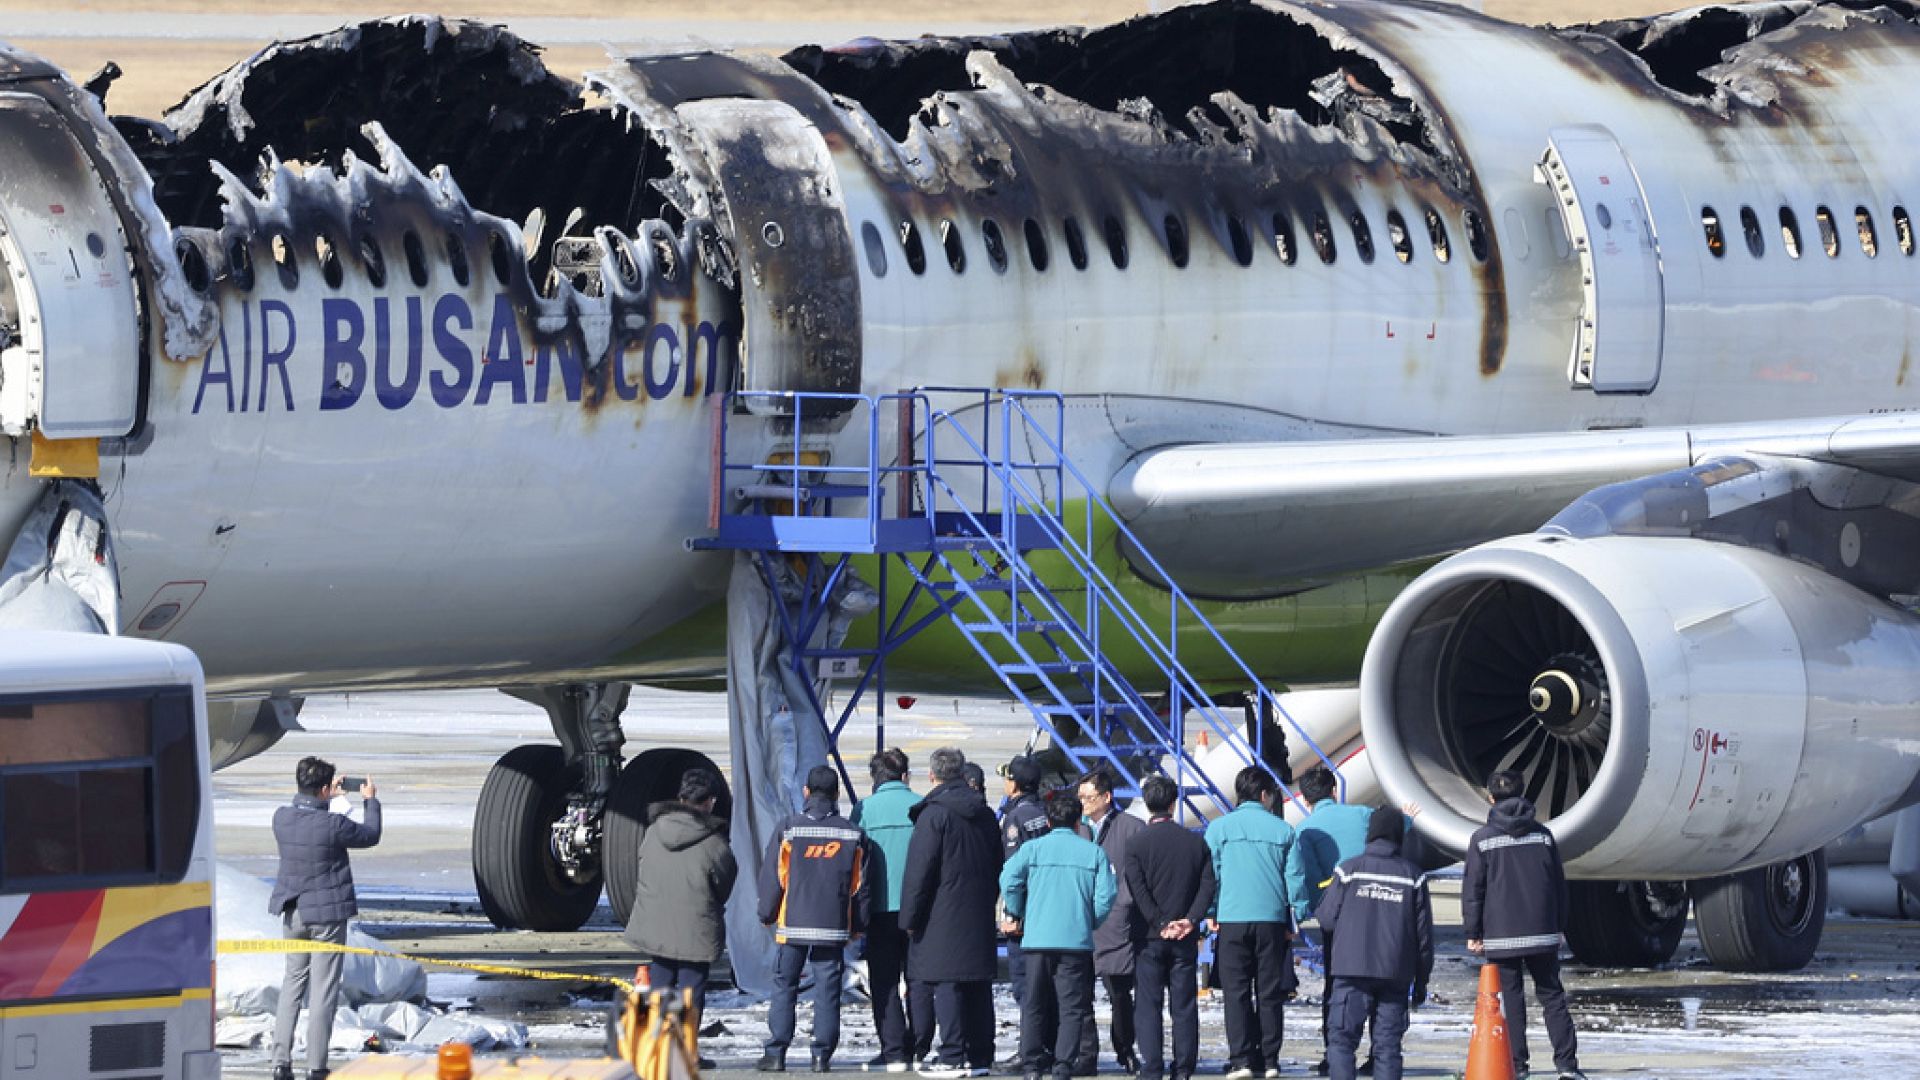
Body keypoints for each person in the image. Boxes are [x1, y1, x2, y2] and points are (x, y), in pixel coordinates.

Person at [1463, 770, 1585, 1080]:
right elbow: (1559, 885)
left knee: (1511, 1002)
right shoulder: (1543, 835)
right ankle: (1567, 1066)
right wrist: (1560, 925)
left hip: (1501, 936)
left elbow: (1473, 890)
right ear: (1523, 794)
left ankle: (1518, 1066)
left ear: (1491, 799)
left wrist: (1473, 932)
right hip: (1542, 931)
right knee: (1553, 998)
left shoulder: (1482, 840)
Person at [268, 757, 382, 1080]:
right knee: (323, 992)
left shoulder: (281, 819)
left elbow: (308, 818)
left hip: (293, 912)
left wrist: (326, 799)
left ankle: (280, 1062)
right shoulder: (333, 825)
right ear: (323, 789)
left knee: (292, 986)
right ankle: (316, 1067)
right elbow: (370, 834)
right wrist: (369, 799)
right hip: (327, 916)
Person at [759, 765, 872, 1073]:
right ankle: (821, 1055)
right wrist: (859, 925)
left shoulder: (789, 829)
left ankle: (776, 1052)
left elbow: (774, 877)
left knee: (785, 985)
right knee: (827, 990)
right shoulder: (852, 834)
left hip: (793, 923)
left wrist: (766, 913)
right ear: (837, 795)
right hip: (832, 927)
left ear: (806, 792)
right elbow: (860, 887)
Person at [902, 748, 1004, 1079]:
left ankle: (951, 1055)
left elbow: (920, 872)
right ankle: (980, 1056)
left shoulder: (934, 815)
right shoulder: (985, 813)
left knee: (946, 981)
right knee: (976, 984)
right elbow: (997, 864)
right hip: (977, 910)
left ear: (932, 776)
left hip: (940, 912)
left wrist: (909, 918)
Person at [1001, 794, 1116, 1080]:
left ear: (1049, 821)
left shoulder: (1033, 849)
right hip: (1074, 941)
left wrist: (1016, 910)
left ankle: (1031, 1064)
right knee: (1072, 1007)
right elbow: (1107, 895)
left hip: (1037, 938)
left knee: (1034, 1003)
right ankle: (1063, 1064)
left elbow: (1008, 879)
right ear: (1079, 822)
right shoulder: (1093, 853)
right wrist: (1089, 920)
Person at [1313, 809, 1433, 1080]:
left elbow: (1327, 919)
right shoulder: (1413, 876)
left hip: (1351, 970)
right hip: (1395, 972)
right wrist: (1421, 981)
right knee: (1388, 1047)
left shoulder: (1348, 870)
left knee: (1342, 1041)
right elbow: (1424, 936)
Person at [1204, 766, 1307, 1080]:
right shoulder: (1284, 831)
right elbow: (1296, 880)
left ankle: (1241, 1060)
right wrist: (1296, 917)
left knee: (1235, 992)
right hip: (1271, 920)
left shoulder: (1218, 830)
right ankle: (1270, 1059)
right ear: (1265, 795)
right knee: (1269, 992)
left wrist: (1211, 912)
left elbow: (1211, 876)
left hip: (1232, 919)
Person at [623, 766, 737, 1048]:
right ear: (710, 801)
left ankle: (658, 1047)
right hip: (695, 926)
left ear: (680, 797)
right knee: (691, 990)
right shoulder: (715, 843)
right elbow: (725, 882)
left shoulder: (653, 831)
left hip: (656, 923)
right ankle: (685, 1051)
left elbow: (643, 867)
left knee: (660, 983)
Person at [1123, 775, 1216, 1080]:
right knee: (1184, 1005)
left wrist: (1159, 922)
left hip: (1148, 937)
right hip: (1184, 936)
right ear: (1174, 804)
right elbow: (1207, 886)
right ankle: (1184, 1067)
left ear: (1147, 804)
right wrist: (1190, 919)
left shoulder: (1136, 844)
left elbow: (1138, 890)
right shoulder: (1195, 842)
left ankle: (1151, 1067)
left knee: (1148, 1006)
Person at [1290, 767, 1375, 1076]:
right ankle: (1379, 1054)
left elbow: (1309, 877)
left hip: (1338, 917)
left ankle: (1335, 1056)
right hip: (1376, 908)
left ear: (1304, 797)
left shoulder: (1306, 830)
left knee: (1337, 984)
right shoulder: (1363, 814)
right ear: (1334, 792)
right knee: (1379, 980)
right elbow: (1397, 828)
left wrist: (1310, 912)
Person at [853, 749, 921, 1073]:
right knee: (919, 979)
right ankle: (921, 1046)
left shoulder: (864, 809)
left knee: (885, 981)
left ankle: (893, 1050)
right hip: (918, 908)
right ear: (905, 775)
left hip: (879, 909)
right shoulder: (922, 806)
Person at [1080, 767, 1145, 1075]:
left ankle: (1125, 1048)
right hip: (1080, 923)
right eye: (1079, 797)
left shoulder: (1131, 828)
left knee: (1119, 994)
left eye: (1088, 797)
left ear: (1106, 797)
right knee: (1078, 995)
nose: (1083, 803)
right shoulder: (1075, 829)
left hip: (1117, 922)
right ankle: (1086, 1053)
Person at [998, 756, 1051, 1008]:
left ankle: (1032, 1043)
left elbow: (1013, 872)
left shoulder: (1016, 818)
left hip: (1024, 913)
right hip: (1046, 909)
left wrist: (1013, 914)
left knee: (1023, 982)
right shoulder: (1045, 811)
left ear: (1015, 784)